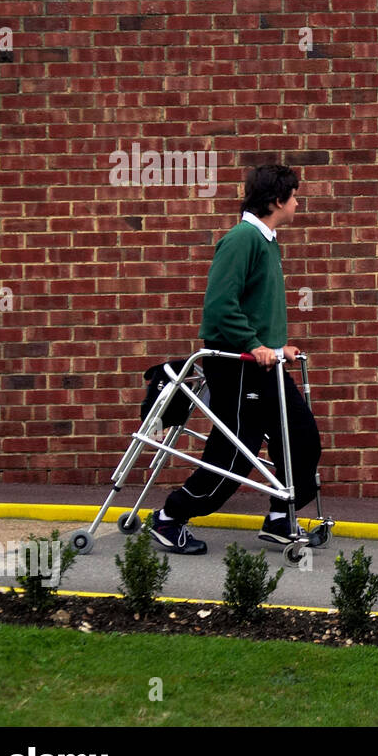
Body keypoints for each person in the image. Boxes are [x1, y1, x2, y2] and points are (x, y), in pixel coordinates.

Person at [150, 164, 321, 555]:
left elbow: (252, 309)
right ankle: (169, 518)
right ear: (277, 201)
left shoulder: (267, 240)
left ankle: (280, 518)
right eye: (294, 195)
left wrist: (278, 348)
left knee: (302, 439)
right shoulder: (243, 239)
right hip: (238, 366)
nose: (298, 202)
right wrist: (253, 344)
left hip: (265, 365)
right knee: (234, 455)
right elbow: (219, 308)